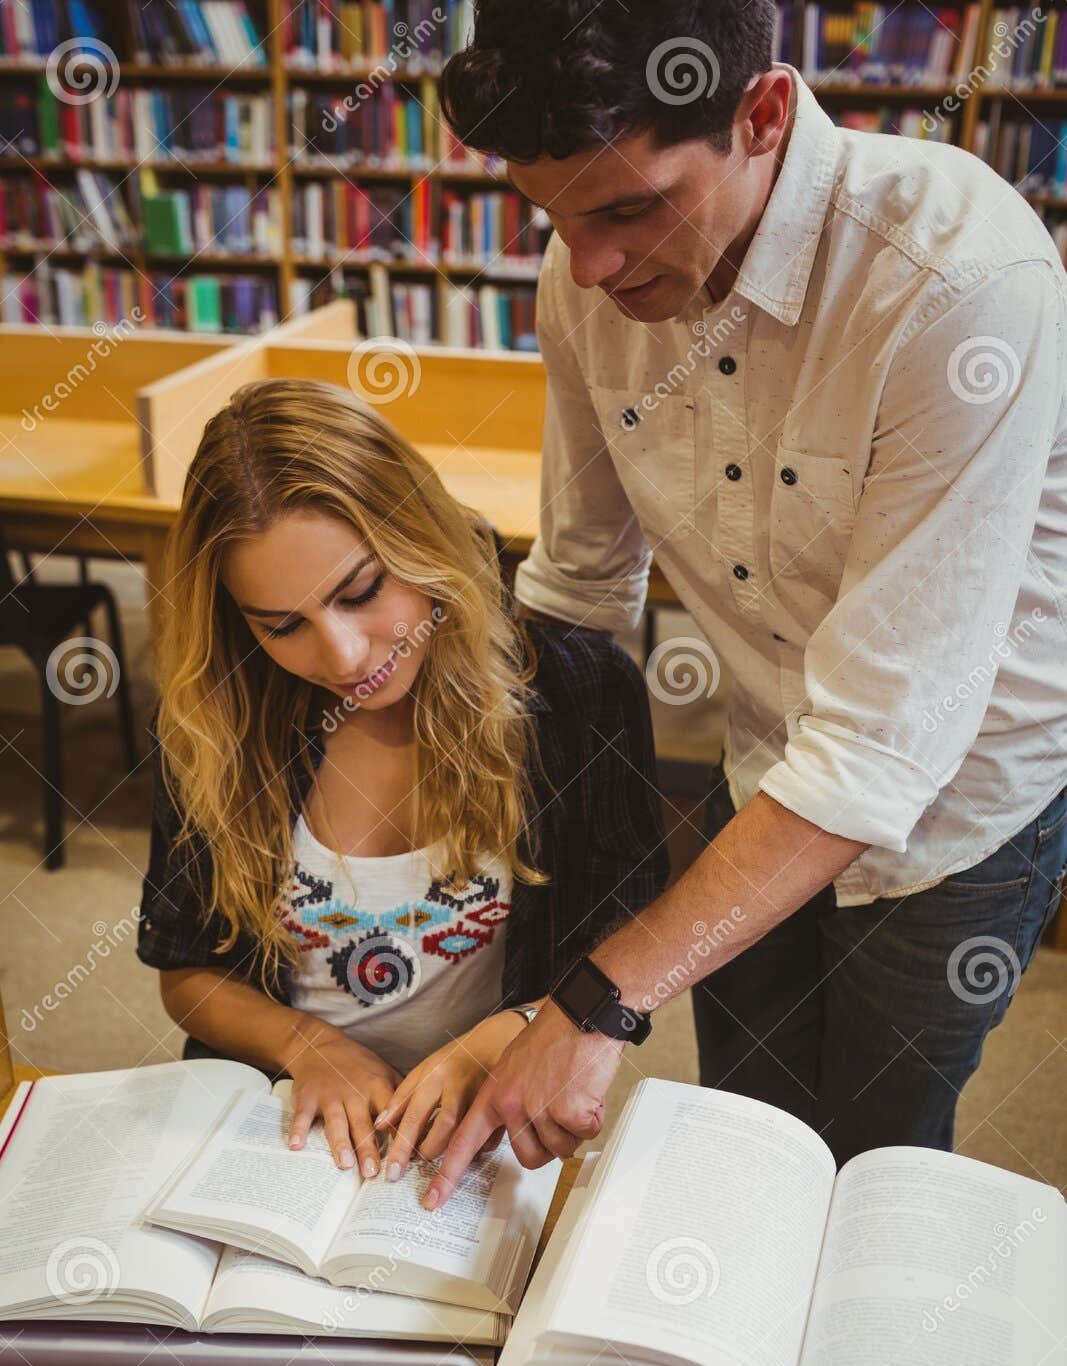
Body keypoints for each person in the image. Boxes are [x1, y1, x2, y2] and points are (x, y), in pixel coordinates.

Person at [419, 0, 1067, 1209]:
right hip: (765, 762)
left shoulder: (955, 277)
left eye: (625, 207)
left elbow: (883, 743)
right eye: (553, 217)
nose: (587, 265)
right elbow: (576, 588)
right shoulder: (585, 269)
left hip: (959, 808)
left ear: (761, 114)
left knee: (873, 1168)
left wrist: (602, 993)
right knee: (741, 1136)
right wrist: (491, 847)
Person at [136, 376, 668, 1177]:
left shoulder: (576, 691)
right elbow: (186, 968)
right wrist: (305, 1044)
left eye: (361, 592)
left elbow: (634, 943)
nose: (344, 657)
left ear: (420, 535)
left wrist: (509, 1035)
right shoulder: (219, 720)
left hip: (492, 1121)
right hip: (282, 1123)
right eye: (282, 626)